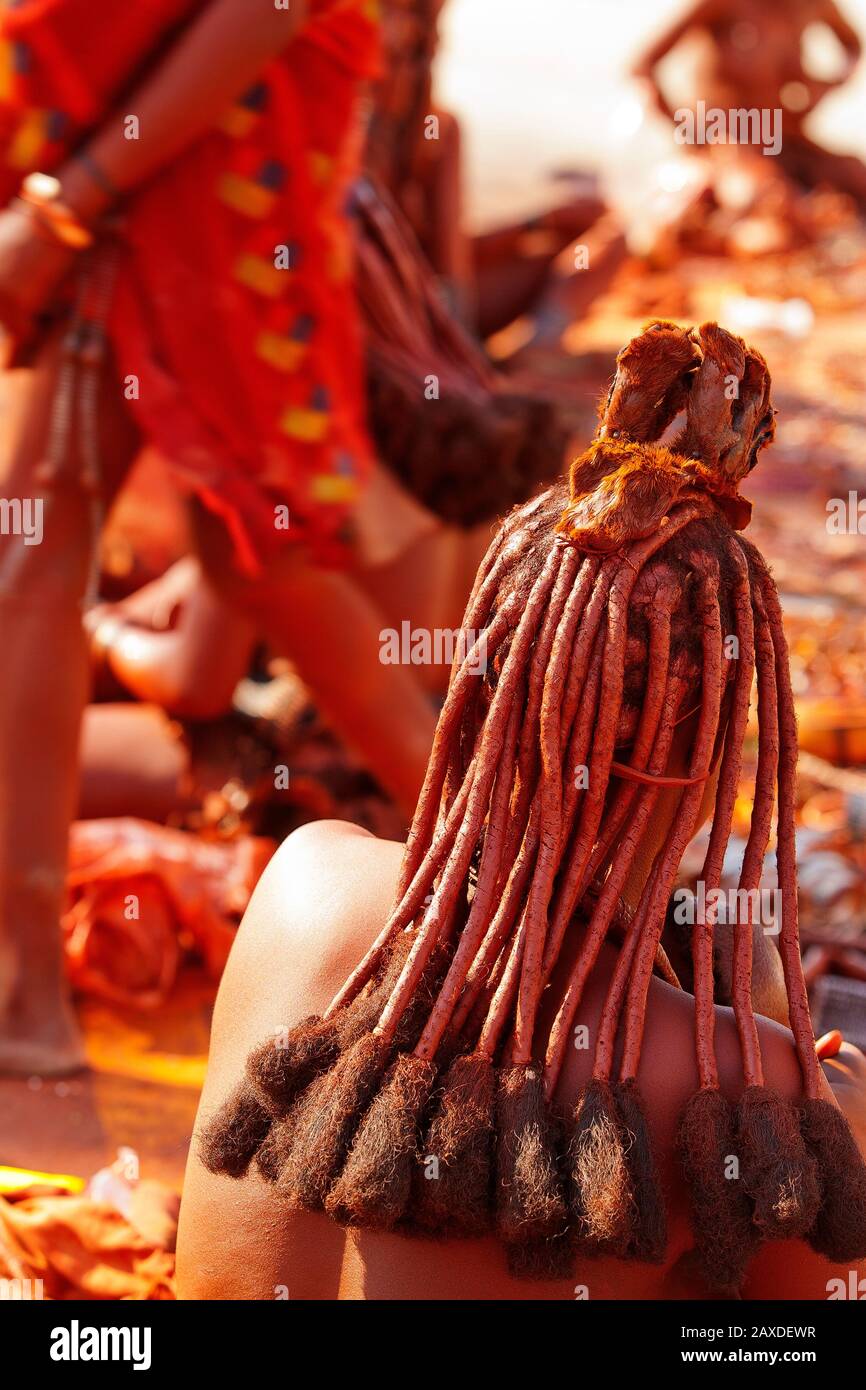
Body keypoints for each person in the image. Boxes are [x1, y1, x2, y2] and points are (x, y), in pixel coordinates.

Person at [177, 321, 866, 1300]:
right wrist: (829, 1112)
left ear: (480, 684)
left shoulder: (304, 876)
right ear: (713, 762)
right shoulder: (747, 1098)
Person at [0, 0, 447, 1076]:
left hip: (180, 163)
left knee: (44, 564)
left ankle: (23, 999)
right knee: (254, 555)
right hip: (183, 157)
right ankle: (574, 913)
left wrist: (68, 202)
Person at [633, 0, 866, 208]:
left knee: (857, 177)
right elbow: (642, 68)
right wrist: (690, 137)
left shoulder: (811, 5)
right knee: (761, 196)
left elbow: (853, 45)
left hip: (785, 139)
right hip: (728, 141)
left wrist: (825, 87)